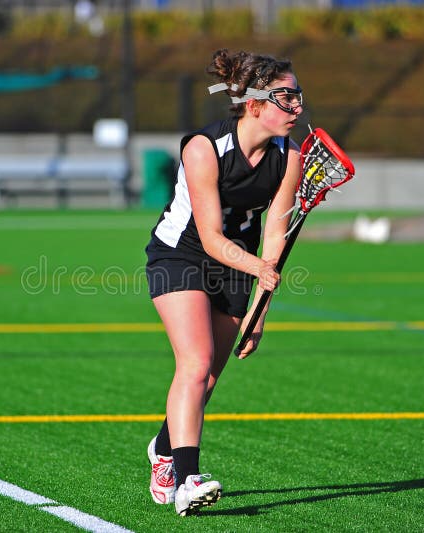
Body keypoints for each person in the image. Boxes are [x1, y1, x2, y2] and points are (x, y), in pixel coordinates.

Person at [144, 49, 305, 516]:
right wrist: (259, 269)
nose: (297, 106)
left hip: (237, 266)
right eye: (286, 97)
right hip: (181, 254)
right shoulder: (203, 149)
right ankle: (187, 479)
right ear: (254, 104)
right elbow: (212, 237)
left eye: (298, 95)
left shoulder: (289, 157)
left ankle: (163, 448)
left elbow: (273, 235)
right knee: (195, 363)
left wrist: (260, 311)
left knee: (209, 377)